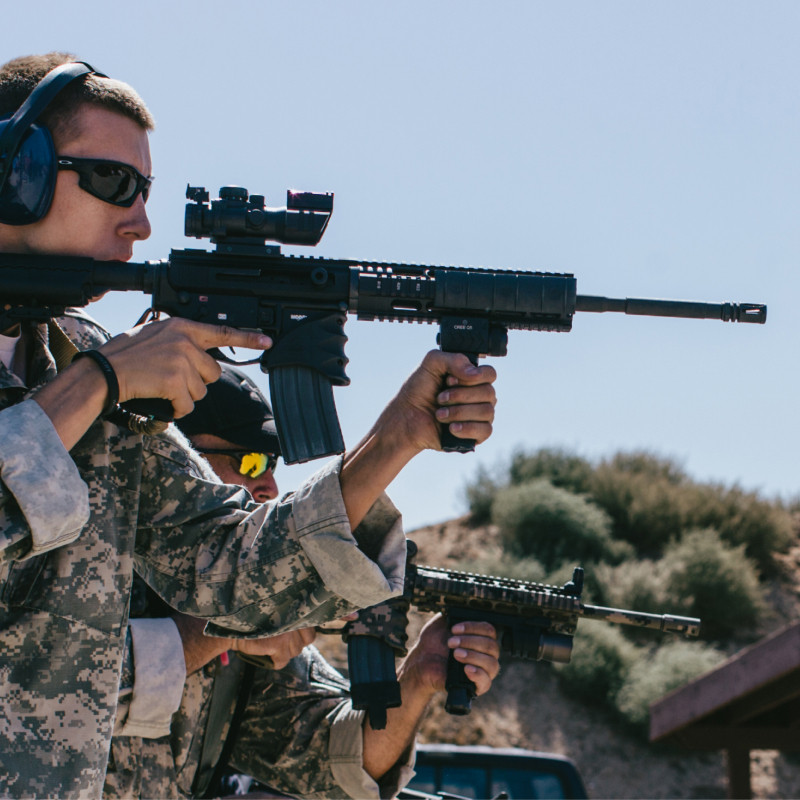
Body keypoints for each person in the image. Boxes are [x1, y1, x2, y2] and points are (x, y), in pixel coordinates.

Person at [0, 52, 497, 798]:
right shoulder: (95, 374)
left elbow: (229, 570)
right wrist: (102, 383)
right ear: (17, 174)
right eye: (113, 183)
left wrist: (398, 437)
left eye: (146, 191)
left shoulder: (80, 360)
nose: (139, 221)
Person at [105, 365, 501, 799]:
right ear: (177, 461)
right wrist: (221, 633)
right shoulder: (96, 561)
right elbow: (55, 686)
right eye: (250, 461)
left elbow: (337, 764)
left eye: (271, 464)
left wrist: (420, 674)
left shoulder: (253, 626)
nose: (269, 485)